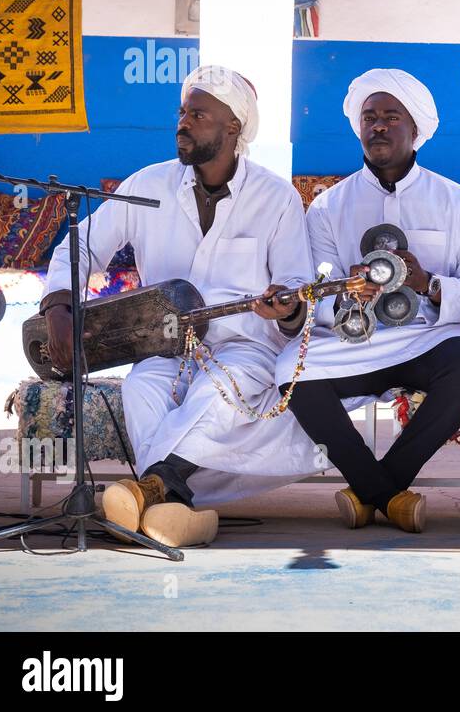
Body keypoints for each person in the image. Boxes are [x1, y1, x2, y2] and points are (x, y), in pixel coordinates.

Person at [41, 66, 322, 548]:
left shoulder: (275, 197)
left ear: (233, 127)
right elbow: (81, 244)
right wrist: (60, 308)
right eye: (182, 112)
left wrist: (287, 309)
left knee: (217, 395)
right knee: (141, 392)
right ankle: (178, 511)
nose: (183, 123)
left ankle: (148, 491)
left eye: (198, 113)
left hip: (241, 350)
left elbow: (296, 285)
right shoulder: (148, 184)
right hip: (162, 346)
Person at [276, 69, 460, 533]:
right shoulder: (328, 206)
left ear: (416, 130)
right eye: (368, 117)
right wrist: (347, 293)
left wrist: (428, 283)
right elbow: (316, 289)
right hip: (356, 341)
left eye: (391, 117)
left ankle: (371, 489)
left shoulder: (458, 202)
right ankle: (388, 495)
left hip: (427, 338)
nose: (377, 126)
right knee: (291, 372)